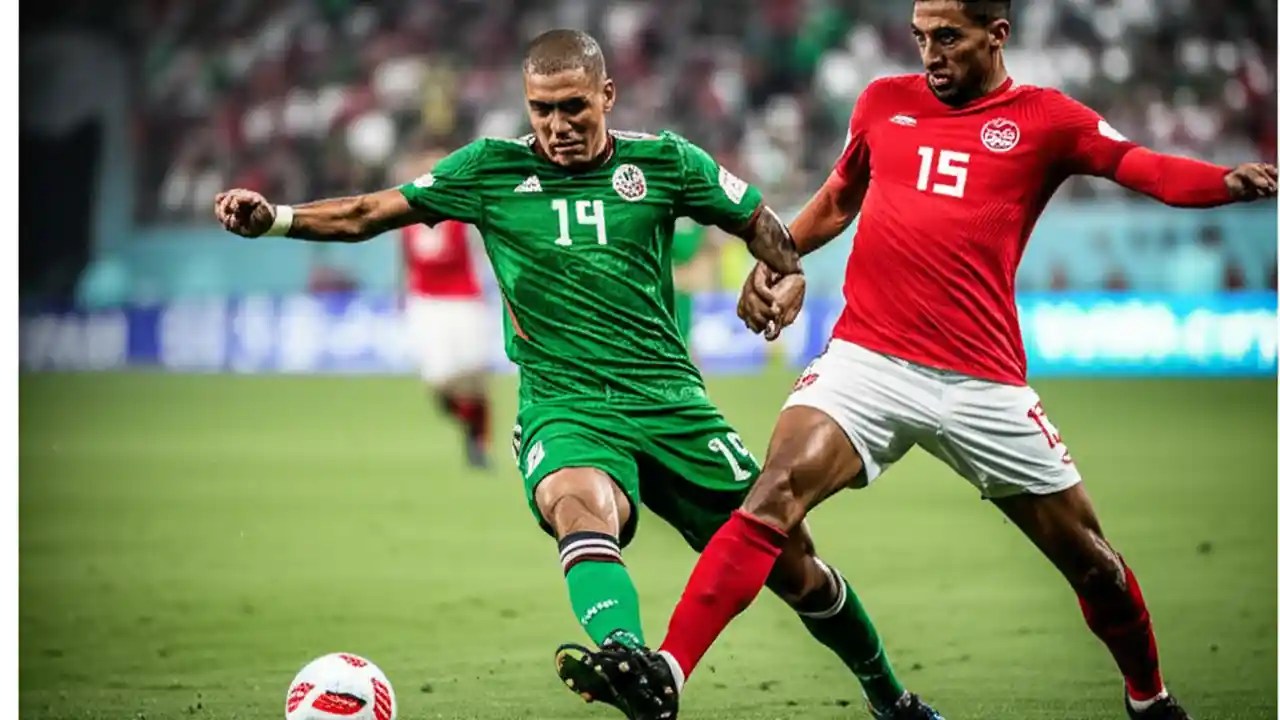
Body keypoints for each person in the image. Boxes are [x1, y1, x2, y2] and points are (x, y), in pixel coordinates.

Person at [571, 2, 1279, 719]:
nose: (929, 54)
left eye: (948, 38)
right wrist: (776, 258)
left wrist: (1221, 183)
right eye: (920, 38)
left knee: (1092, 562)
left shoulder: (1048, 120)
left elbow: (1139, 166)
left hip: (983, 381)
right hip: (867, 362)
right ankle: (669, 671)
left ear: (995, 35)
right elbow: (838, 201)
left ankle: (1149, 699)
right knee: (773, 493)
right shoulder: (884, 103)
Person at [213, 28, 940, 720]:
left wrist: (786, 274)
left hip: (671, 402)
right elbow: (370, 211)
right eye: (541, 109)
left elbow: (761, 223)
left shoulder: (665, 163)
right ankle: (626, 657)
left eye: (572, 107)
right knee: (578, 502)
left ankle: (892, 699)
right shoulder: (490, 169)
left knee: (795, 564)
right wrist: (274, 218)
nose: (556, 124)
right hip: (565, 405)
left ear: (608, 96)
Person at [397, 148, 495, 468]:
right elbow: (405, 262)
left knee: (473, 376)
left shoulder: (463, 214)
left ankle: (479, 444)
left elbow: (483, 250)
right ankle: (469, 426)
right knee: (438, 381)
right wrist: (401, 295)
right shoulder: (406, 217)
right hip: (427, 303)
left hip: (465, 300)